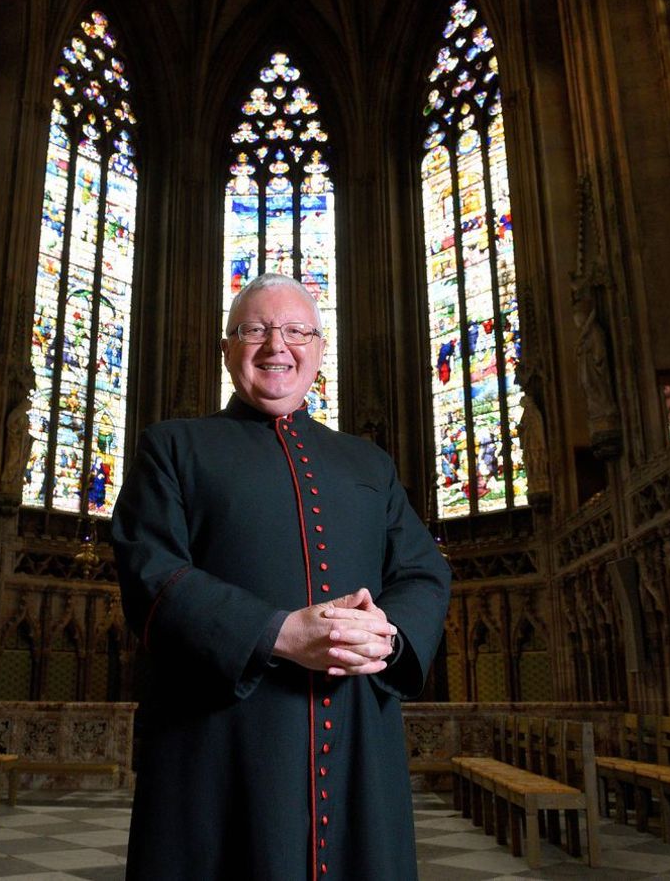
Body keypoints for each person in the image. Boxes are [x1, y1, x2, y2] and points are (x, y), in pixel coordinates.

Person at [113, 272, 452, 880]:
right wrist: (276, 632)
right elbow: (151, 572)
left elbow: (423, 571)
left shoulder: (369, 463)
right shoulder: (171, 449)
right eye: (255, 330)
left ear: (319, 351)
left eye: (297, 331)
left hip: (358, 747)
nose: (277, 346)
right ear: (227, 348)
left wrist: (389, 633)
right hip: (218, 753)